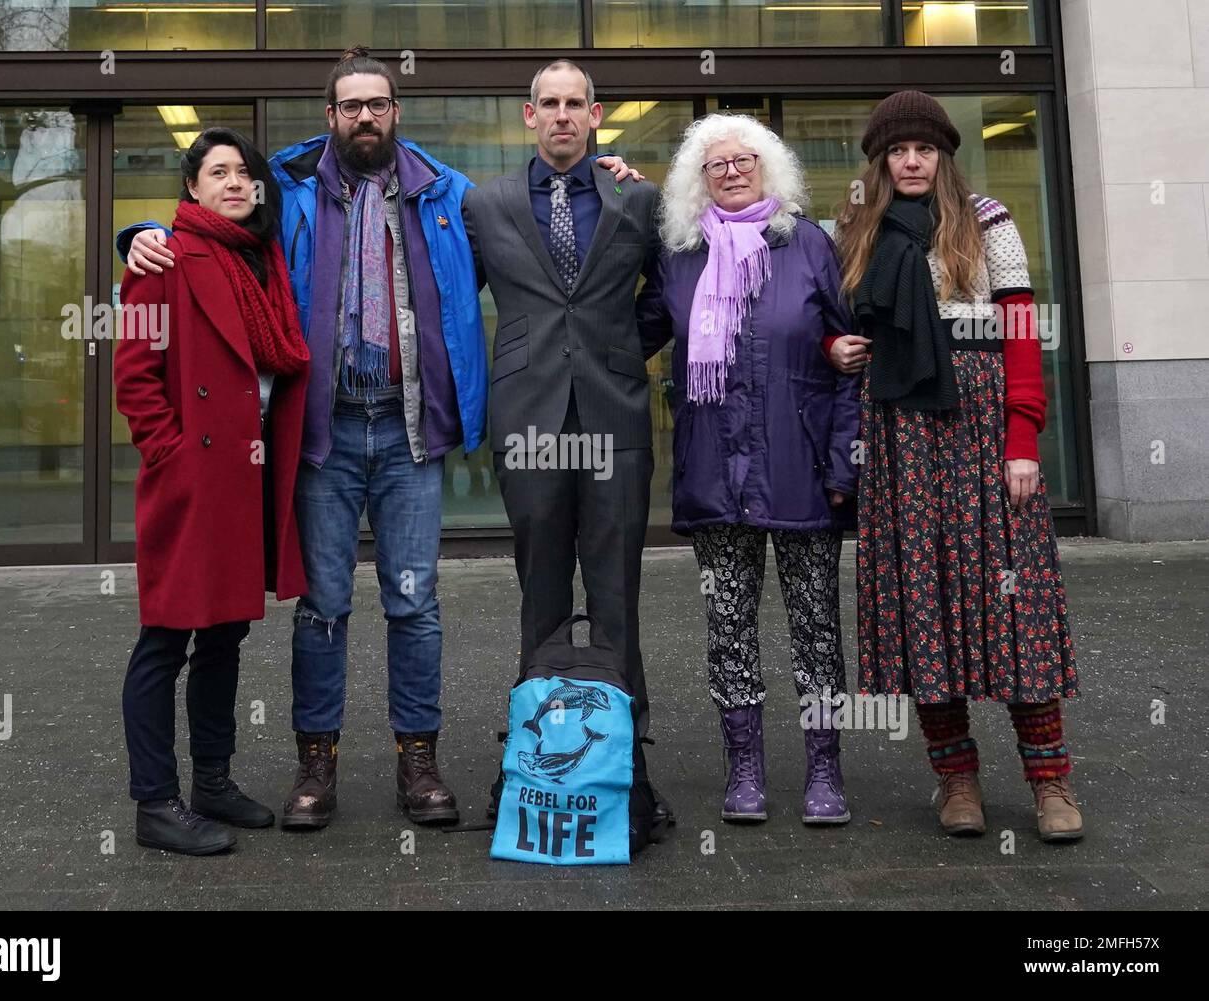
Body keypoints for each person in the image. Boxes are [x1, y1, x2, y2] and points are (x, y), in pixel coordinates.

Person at [120, 48, 637, 831]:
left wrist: (604, 172)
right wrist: (142, 231)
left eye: (379, 103)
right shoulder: (288, 197)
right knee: (323, 607)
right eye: (351, 105)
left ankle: (417, 762)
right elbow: (209, 228)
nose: (366, 115)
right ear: (330, 117)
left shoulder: (451, 198)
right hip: (322, 437)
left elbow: (543, 206)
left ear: (396, 113)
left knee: (415, 603)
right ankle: (315, 765)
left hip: (408, 434)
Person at [833, 91, 1083, 841]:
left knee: (1014, 604)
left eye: (924, 149)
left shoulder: (989, 221)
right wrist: (831, 350)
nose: (911, 161)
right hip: (900, 433)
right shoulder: (856, 231)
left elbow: (1019, 334)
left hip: (982, 427)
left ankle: (1051, 783)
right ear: (880, 162)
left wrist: (1023, 439)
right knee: (924, 604)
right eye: (897, 151)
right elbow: (828, 319)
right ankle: (957, 779)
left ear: (944, 156)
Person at [463, 59, 671, 827]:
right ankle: (534, 753)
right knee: (541, 593)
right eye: (546, 104)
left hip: (613, 418)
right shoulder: (483, 205)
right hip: (529, 422)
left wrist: (619, 348)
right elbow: (450, 296)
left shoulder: (636, 197)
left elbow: (674, 292)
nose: (560, 115)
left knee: (617, 593)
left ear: (596, 114)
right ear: (527, 116)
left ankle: (627, 763)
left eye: (573, 104)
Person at [636, 114, 860, 824]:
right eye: (716, 164)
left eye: (745, 159)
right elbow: (629, 338)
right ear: (695, 182)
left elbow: (852, 354)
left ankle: (825, 771)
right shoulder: (680, 256)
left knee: (818, 627)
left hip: (803, 470)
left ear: (771, 168)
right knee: (729, 626)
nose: (732, 171)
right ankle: (745, 772)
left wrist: (844, 465)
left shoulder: (810, 244)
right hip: (713, 471)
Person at [115, 127, 310, 855]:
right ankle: (154, 802)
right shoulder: (161, 257)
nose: (234, 183)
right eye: (218, 171)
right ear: (192, 187)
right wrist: (169, 454)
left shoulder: (264, 261)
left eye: (245, 174)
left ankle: (214, 782)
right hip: (193, 474)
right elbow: (134, 376)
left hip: (247, 472)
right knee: (165, 637)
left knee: (225, 633)